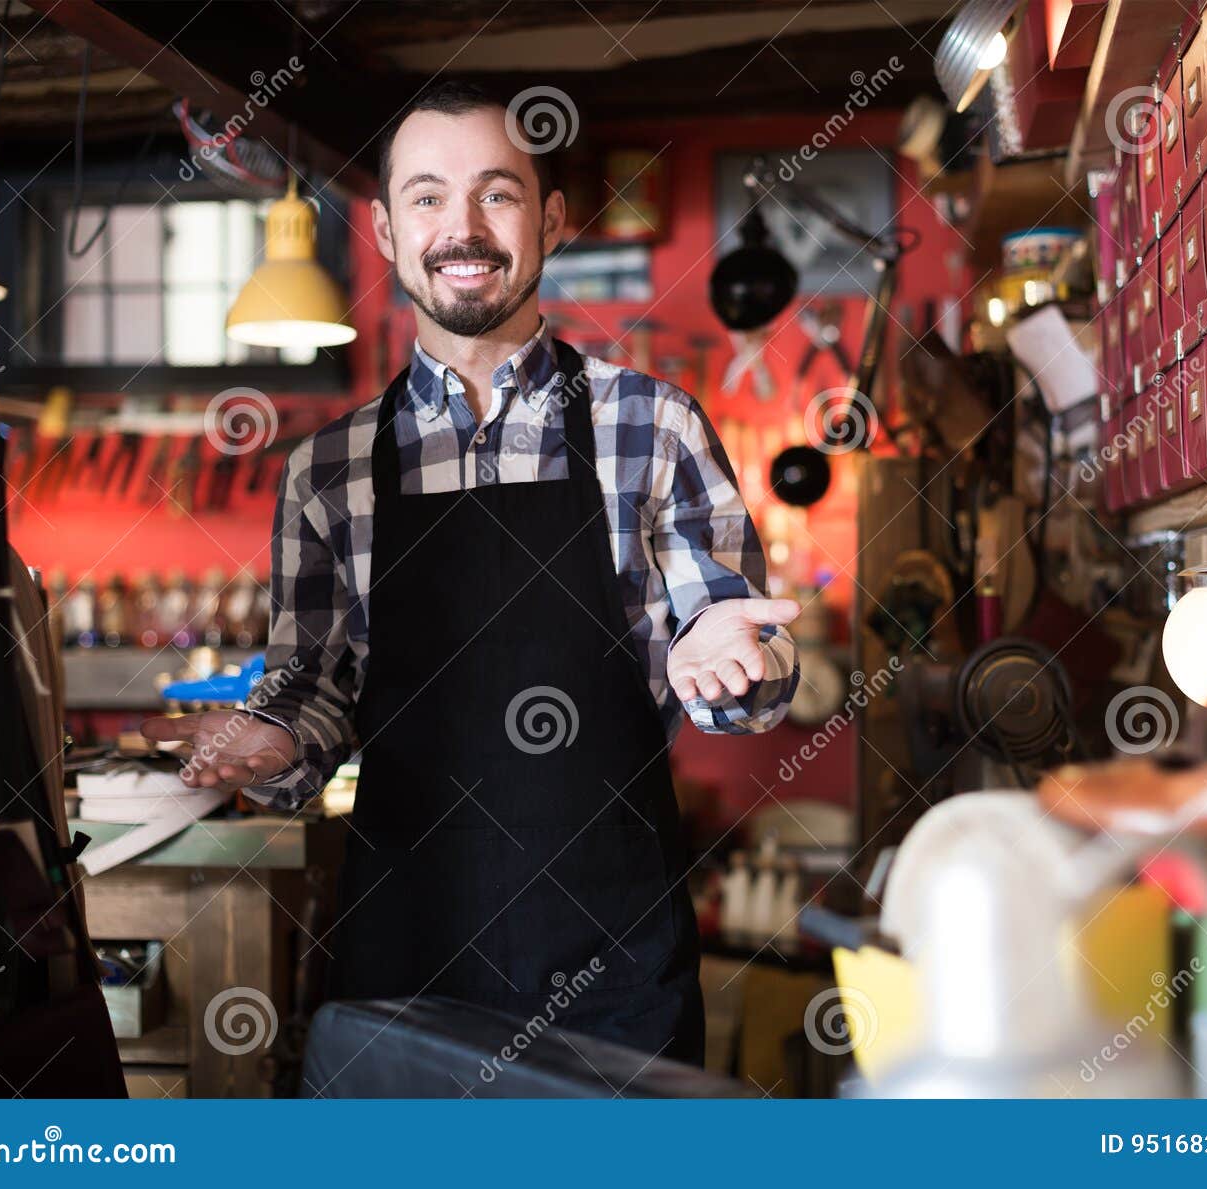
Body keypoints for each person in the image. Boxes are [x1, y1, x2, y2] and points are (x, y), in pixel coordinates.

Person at [140, 81, 800, 1067]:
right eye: (428, 197)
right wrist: (271, 738)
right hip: (407, 948)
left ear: (551, 219)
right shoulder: (327, 471)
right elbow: (311, 684)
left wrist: (733, 662)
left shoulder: (653, 426)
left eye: (497, 194)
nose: (463, 228)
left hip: (611, 956)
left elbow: (746, 658)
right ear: (385, 229)